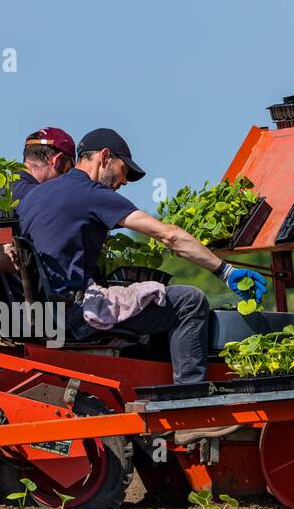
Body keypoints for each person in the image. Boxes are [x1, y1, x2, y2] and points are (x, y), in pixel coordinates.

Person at [17, 128, 266, 385]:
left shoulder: (35, 195)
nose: (124, 181)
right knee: (188, 301)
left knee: (150, 304)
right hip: (76, 313)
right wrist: (224, 271)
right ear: (104, 157)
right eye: (124, 170)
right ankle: (192, 397)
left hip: (48, 312)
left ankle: (150, 386)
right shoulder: (91, 194)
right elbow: (168, 236)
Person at [0, 126, 76, 288]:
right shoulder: (45, 200)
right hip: (41, 311)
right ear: (56, 161)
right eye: (69, 170)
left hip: (2, 311)